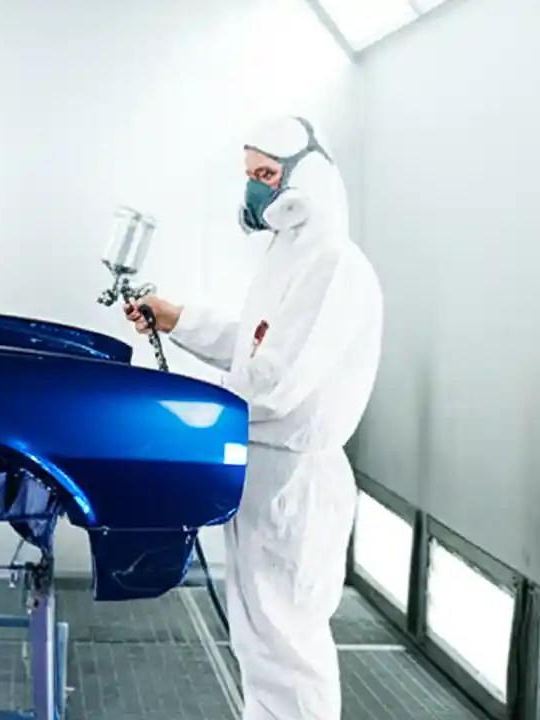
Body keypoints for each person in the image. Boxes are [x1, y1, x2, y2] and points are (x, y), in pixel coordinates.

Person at [124, 116, 383, 719]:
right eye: (250, 176)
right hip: (265, 473)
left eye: (267, 175)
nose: (257, 191)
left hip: (293, 482)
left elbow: (275, 383)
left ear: (308, 179)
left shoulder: (334, 264)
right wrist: (178, 318)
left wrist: (183, 410)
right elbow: (256, 345)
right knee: (263, 642)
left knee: (287, 648)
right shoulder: (294, 256)